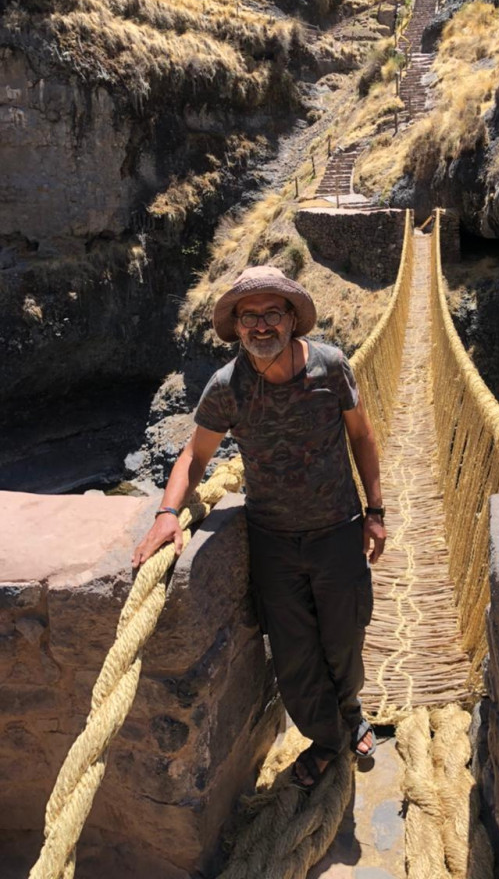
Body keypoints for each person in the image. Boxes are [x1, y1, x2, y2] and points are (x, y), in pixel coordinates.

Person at [132, 266, 387, 791]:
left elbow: (362, 436)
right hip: (272, 539)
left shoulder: (331, 367)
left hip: (338, 530)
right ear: (237, 326)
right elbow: (194, 455)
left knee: (344, 640)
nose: (263, 325)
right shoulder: (227, 387)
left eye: (274, 313)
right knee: (294, 656)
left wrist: (376, 511)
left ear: (293, 319)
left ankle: (351, 712)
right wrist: (165, 514)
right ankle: (327, 738)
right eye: (251, 316)